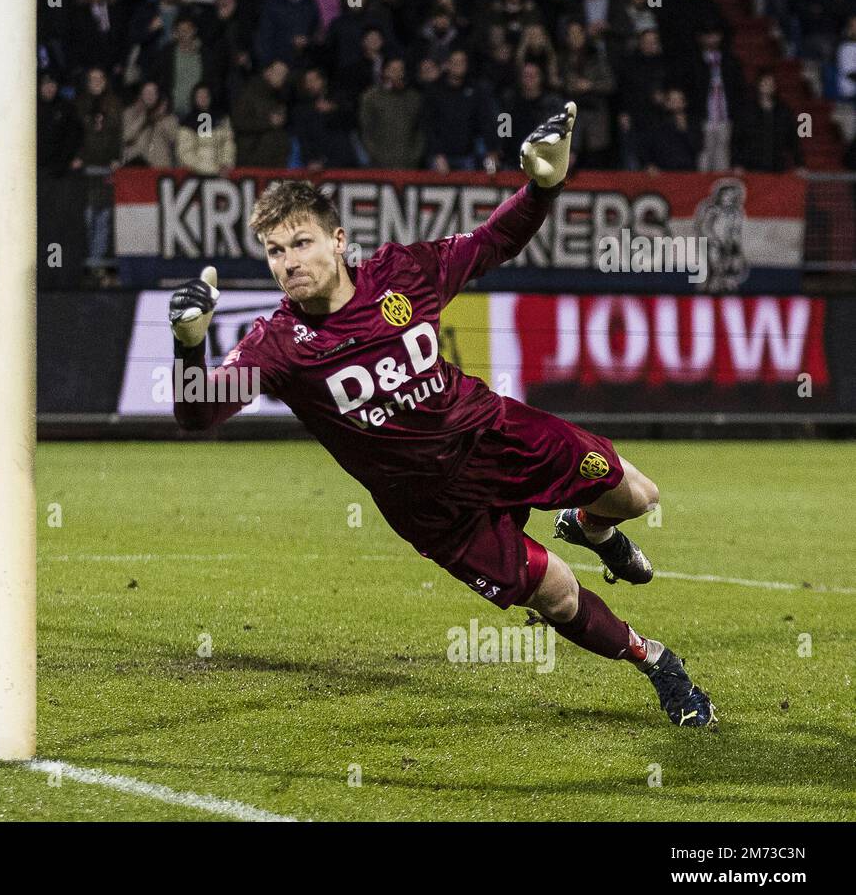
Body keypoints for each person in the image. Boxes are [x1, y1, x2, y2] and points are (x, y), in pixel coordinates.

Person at [165, 104, 717, 728]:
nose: (289, 262)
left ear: (338, 241)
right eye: (273, 251)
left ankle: (593, 529)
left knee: (638, 495)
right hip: (429, 506)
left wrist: (543, 186)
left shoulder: (403, 274)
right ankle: (658, 663)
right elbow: (196, 415)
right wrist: (189, 345)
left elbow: (492, 242)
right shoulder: (277, 344)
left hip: (494, 434)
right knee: (557, 595)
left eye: (301, 243)